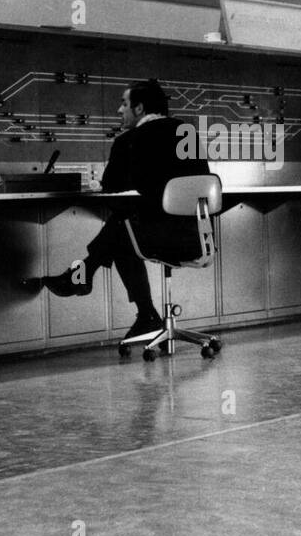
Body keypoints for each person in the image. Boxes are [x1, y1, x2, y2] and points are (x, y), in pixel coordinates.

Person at [26, 79, 209, 342]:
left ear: (139, 108)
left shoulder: (129, 140)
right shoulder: (187, 132)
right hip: (196, 237)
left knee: (123, 227)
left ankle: (85, 277)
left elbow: (111, 188)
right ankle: (98, 285)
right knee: (123, 229)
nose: (118, 110)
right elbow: (198, 177)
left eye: (124, 103)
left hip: (158, 239)